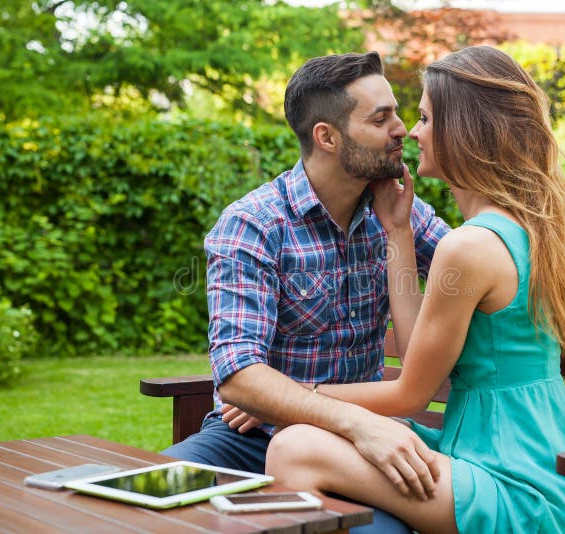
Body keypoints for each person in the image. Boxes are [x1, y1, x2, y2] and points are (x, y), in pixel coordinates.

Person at [264, 45, 565, 533]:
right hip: (516, 462)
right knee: (332, 437)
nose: (411, 132)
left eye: (423, 118)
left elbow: (409, 393)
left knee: (293, 446)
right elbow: (420, 357)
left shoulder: (470, 246)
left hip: (513, 487)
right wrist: (398, 233)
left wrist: (292, 393)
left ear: (463, 130)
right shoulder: (522, 227)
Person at [161, 51, 450, 531]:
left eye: (398, 112)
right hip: (251, 441)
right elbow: (238, 376)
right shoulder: (252, 225)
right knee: (137, 501)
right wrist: (353, 419)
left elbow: (477, 275)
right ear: (327, 137)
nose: (402, 129)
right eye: (381, 118)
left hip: (354, 455)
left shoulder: (401, 212)